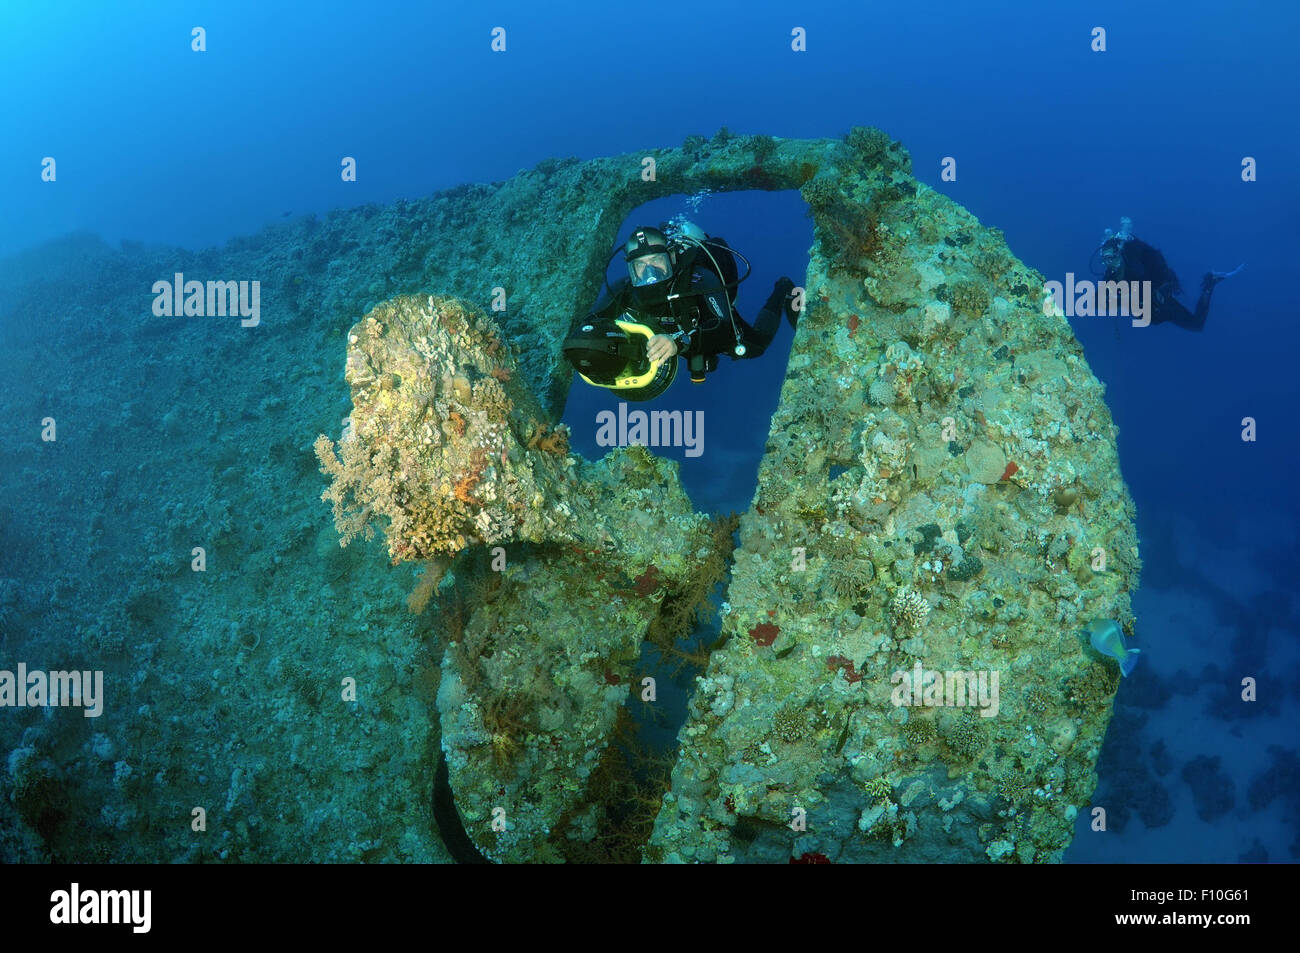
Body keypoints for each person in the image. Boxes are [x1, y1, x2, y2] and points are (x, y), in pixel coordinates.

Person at [563, 221, 798, 400]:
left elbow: (723, 327)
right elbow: (593, 322)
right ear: (630, 269)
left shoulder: (700, 280)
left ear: (672, 258)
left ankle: (782, 289)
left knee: (756, 347)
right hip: (666, 340)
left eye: (656, 260)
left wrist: (680, 343)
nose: (649, 271)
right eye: (640, 265)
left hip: (701, 326)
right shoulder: (624, 290)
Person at [1094, 216, 1243, 331]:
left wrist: (1161, 289)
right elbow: (1097, 302)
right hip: (1148, 311)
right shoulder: (1110, 276)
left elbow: (1152, 265)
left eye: (1111, 258)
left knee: (1196, 325)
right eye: (1105, 259)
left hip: (1160, 297)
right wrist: (1121, 301)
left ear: (1119, 254)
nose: (1109, 263)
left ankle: (1210, 283)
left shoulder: (1134, 264)